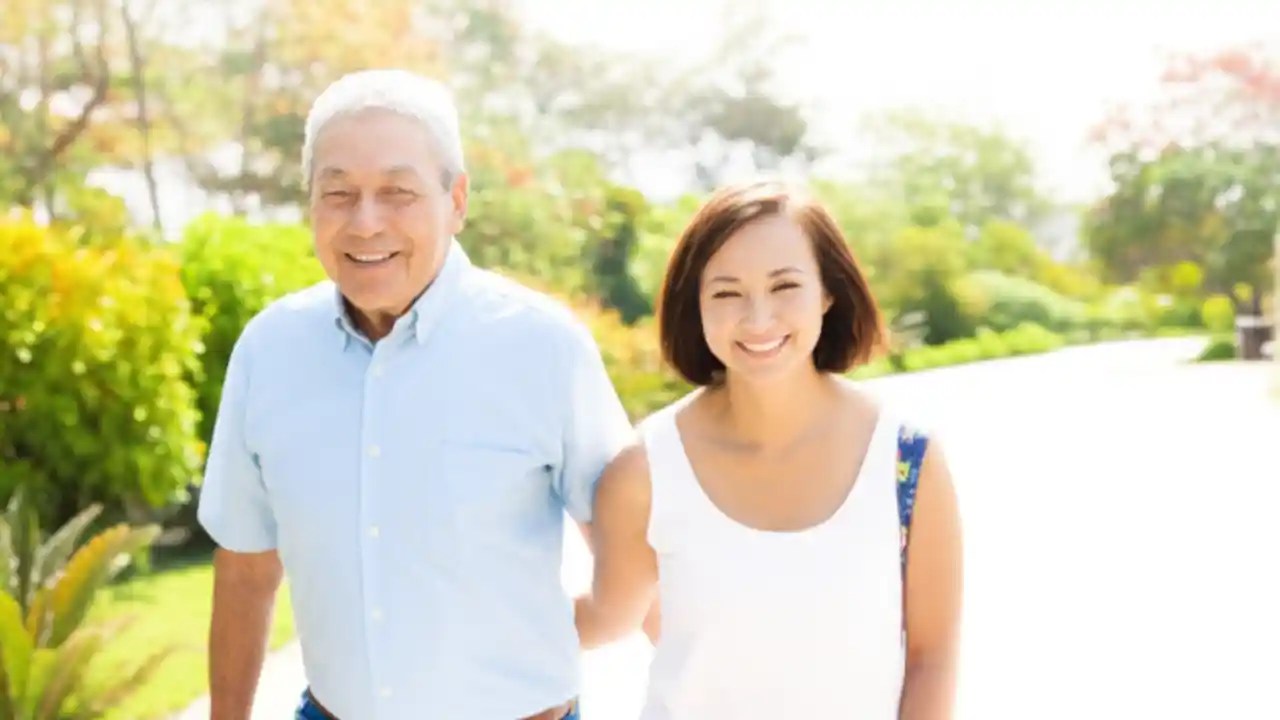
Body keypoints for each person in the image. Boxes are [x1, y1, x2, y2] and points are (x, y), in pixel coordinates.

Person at [196, 69, 632, 720]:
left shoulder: (545, 347)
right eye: (338, 193)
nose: (365, 223)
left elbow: (634, 556)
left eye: (397, 192)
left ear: (456, 200)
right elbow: (245, 568)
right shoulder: (268, 350)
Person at [574, 180, 964, 718]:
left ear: (827, 292)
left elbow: (932, 656)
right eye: (727, 293)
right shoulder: (645, 470)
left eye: (784, 286)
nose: (758, 319)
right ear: (697, 307)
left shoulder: (906, 459)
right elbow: (603, 618)